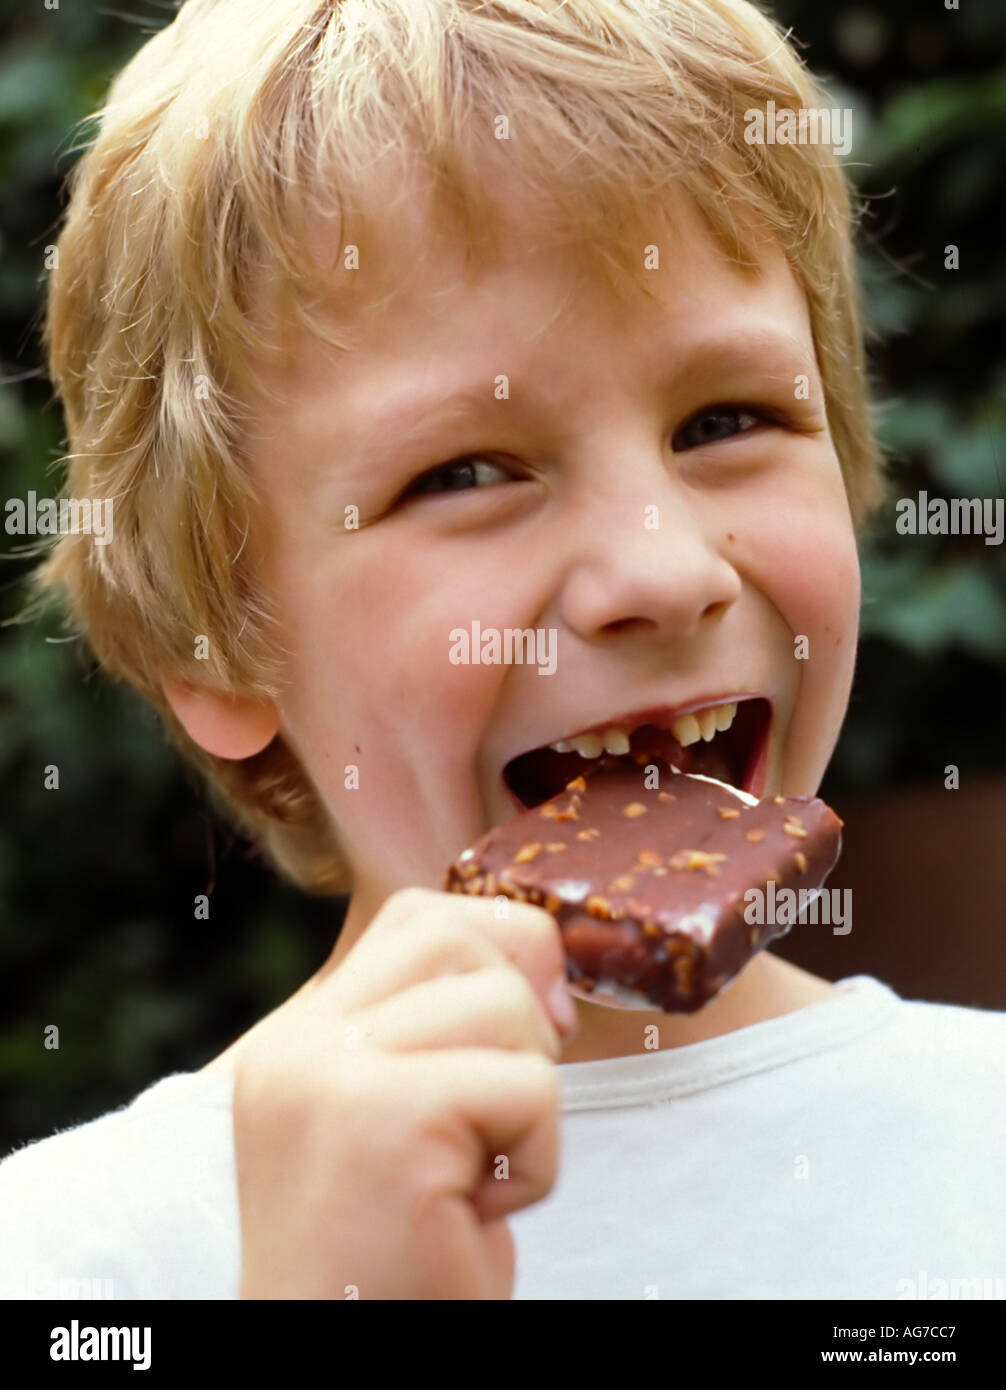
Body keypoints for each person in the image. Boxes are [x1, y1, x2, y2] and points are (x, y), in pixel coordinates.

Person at [2, 0, 1003, 1301]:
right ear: (216, 643)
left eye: (724, 418)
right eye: (465, 470)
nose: (663, 572)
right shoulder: (75, 1260)